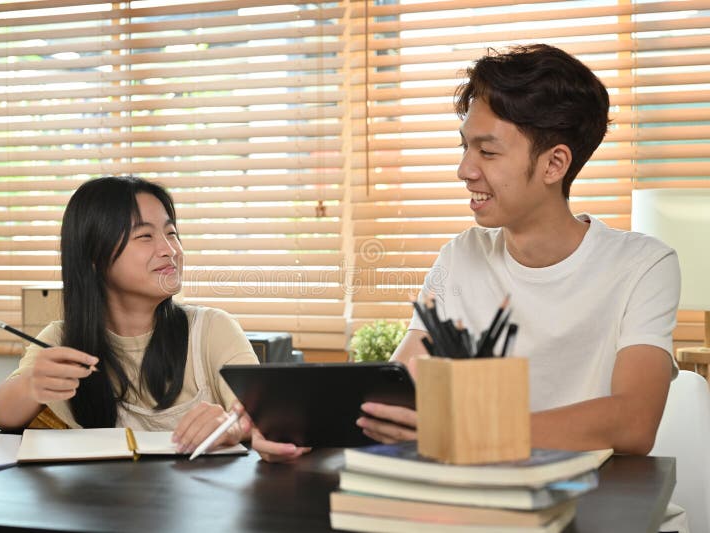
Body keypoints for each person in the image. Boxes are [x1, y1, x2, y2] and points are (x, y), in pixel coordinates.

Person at [253, 44, 680, 463]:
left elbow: (634, 423)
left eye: (488, 151)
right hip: (481, 501)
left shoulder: (643, 266)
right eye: (465, 147)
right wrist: (287, 424)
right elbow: (398, 395)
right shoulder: (461, 257)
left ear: (554, 165)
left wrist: (471, 428)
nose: (465, 170)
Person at [0, 176, 258, 455]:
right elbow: (3, 414)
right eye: (145, 236)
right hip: (99, 496)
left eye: (171, 233)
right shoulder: (62, 339)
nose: (170, 250)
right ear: (95, 256)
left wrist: (232, 426)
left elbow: (257, 414)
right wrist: (33, 384)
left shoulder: (212, 330)